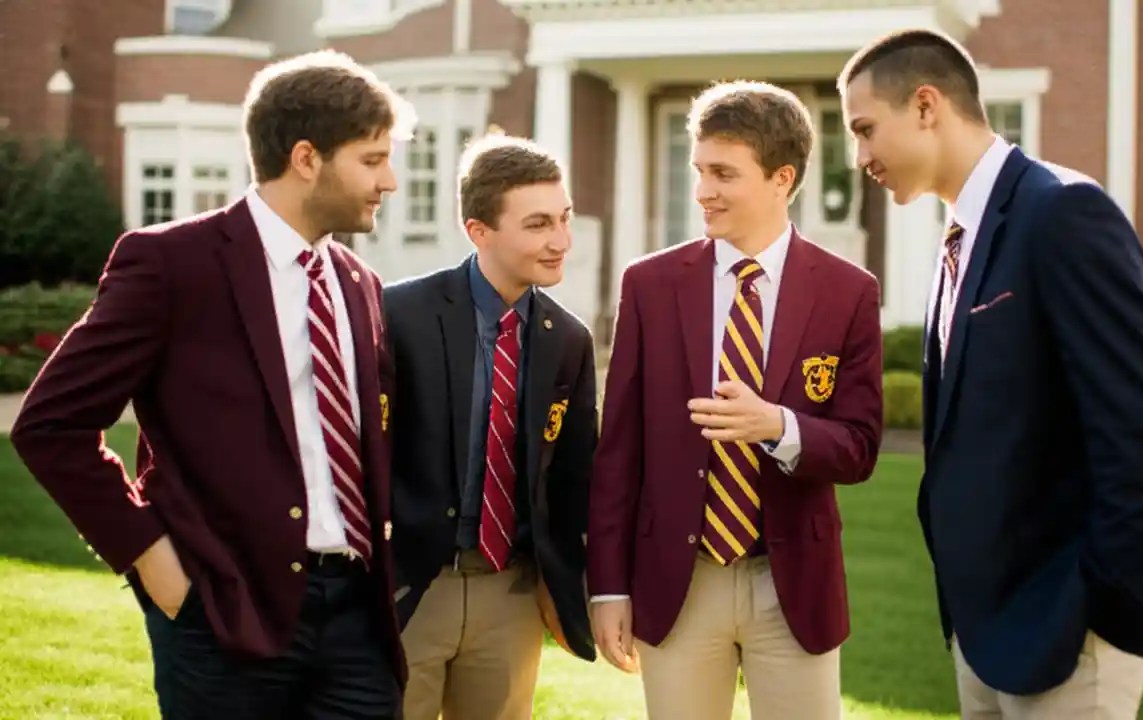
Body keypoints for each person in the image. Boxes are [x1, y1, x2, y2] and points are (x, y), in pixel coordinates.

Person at [11, 50, 415, 719]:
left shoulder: (359, 285)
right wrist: (156, 568)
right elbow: (51, 426)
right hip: (221, 613)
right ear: (307, 157)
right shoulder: (172, 264)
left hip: (356, 624)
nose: (390, 180)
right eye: (372, 160)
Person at [838, 29, 1143, 718]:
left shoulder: (1062, 212)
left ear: (925, 105)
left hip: (1069, 627)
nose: (860, 157)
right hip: (983, 627)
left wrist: (1109, 607)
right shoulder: (957, 240)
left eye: (865, 130)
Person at [587, 80, 883, 720]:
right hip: (677, 581)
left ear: (781, 177)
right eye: (699, 170)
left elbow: (859, 448)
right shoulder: (650, 285)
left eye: (723, 173)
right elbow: (618, 454)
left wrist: (778, 425)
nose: (702, 191)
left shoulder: (847, 292)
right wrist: (607, 587)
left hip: (793, 584)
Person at [384, 133, 597, 720]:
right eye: (537, 225)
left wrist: (567, 584)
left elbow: (574, 478)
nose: (560, 241)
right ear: (480, 232)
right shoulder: (397, 315)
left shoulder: (569, 340)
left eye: (563, 219)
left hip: (512, 592)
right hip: (411, 585)